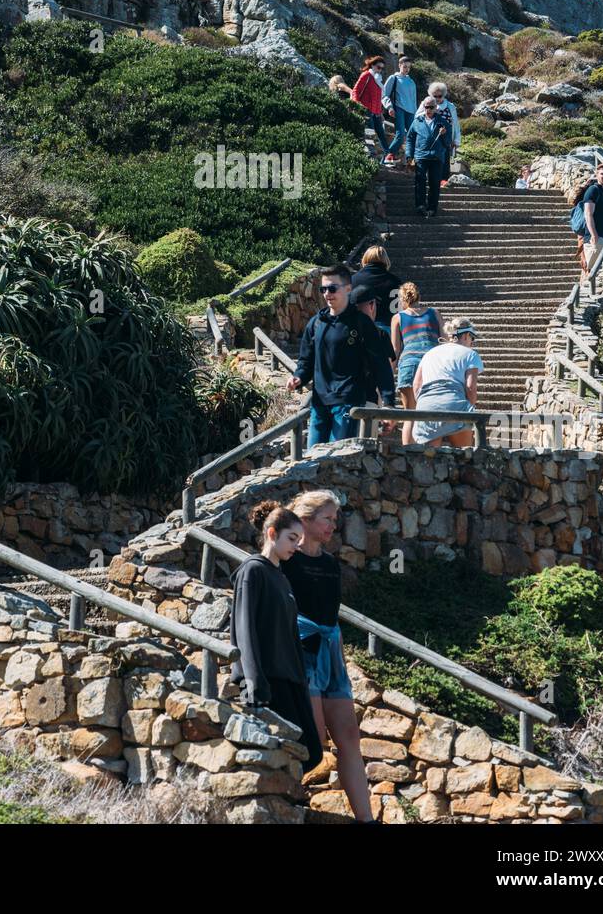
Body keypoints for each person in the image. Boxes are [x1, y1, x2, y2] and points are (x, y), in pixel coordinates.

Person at [282, 491, 374, 823]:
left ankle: (366, 818)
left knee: (349, 735)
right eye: (327, 519)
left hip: (331, 649)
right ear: (305, 520)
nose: (333, 526)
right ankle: (289, 803)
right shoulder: (286, 561)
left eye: (335, 519)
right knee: (313, 737)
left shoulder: (330, 563)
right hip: (302, 649)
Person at [230, 500, 324, 771]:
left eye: (299, 539)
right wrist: (252, 680)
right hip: (268, 678)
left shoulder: (282, 578)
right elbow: (244, 628)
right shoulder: (253, 570)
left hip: (292, 680)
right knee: (296, 752)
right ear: (272, 534)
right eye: (291, 538)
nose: (296, 546)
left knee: (312, 752)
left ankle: (289, 804)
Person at [287, 266, 396, 448]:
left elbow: (380, 365)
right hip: (319, 402)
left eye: (332, 288)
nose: (327, 294)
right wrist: (298, 377)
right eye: (323, 289)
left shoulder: (362, 323)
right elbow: (306, 361)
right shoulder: (315, 324)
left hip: (348, 401)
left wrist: (389, 402)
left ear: (348, 288)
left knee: (336, 458)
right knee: (311, 460)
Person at [412, 317, 483, 449]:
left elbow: (416, 385)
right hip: (455, 404)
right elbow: (470, 387)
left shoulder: (429, 353)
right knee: (464, 455)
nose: (472, 342)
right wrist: (470, 409)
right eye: (472, 338)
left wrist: (425, 402)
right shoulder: (470, 354)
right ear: (467, 335)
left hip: (427, 406)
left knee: (430, 458)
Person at [391, 283, 442, 446]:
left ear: (402, 299)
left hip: (409, 365)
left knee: (409, 415)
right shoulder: (434, 313)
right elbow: (446, 340)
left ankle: (408, 459)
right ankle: (432, 456)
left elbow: (395, 349)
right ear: (419, 296)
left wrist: (389, 374)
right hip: (432, 364)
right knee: (432, 414)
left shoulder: (398, 318)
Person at [405, 96, 450, 217]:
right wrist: (409, 155)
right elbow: (409, 139)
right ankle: (420, 205)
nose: (428, 109)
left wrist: (444, 135)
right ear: (423, 107)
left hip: (437, 157)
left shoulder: (443, 122)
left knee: (435, 183)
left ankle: (432, 208)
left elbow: (447, 142)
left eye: (431, 107)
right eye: (426, 107)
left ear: (436, 108)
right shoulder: (417, 121)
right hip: (420, 155)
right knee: (420, 181)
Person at [349, 245, 402, 336]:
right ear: (386, 260)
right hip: (389, 330)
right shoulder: (395, 281)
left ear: (365, 259)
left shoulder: (353, 280)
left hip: (359, 329)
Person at [415, 81, 461, 186]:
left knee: (445, 156)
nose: (437, 98)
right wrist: (430, 110)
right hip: (429, 135)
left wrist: (456, 140)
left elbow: (455, 123)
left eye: (439, 96)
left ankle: (443, 179)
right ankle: (429, 178)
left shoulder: (450, 106)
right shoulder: (425, 103)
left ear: (443, 95)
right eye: (434, 96)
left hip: (446, 135)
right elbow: (417, 117)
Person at [352, 56, 391, 159]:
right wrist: (357, 105)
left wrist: (381, 113)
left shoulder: (378, 79)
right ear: (372, 65)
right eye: (378, 67)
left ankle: (388, 157)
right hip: (366, 110)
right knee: (370, 133)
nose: (380, 70)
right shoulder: (366, 75)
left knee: (381, 135)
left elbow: (378, 98)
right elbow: (355, 90)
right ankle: (370, 157)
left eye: (382, 68)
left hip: (377, 112)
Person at [382, 56, 417, 165]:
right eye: (405, 66)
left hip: (411, 112)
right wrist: (389, 107)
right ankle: (388, 156)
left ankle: (410, 161)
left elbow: (413, 100)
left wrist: (417, 115)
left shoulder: (411, 82)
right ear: (399, 65)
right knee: (401, 134)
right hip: (399, 109)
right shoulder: (394, 78)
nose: (407, 69)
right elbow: (384, 95)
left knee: (414, 136)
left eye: (409, 67)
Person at [582, 162, 603, 275]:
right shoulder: (593, 190)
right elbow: (588, 214)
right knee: (593, 271)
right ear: (597, 175)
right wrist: (594, 235)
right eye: (602, 173)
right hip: (594, 239)